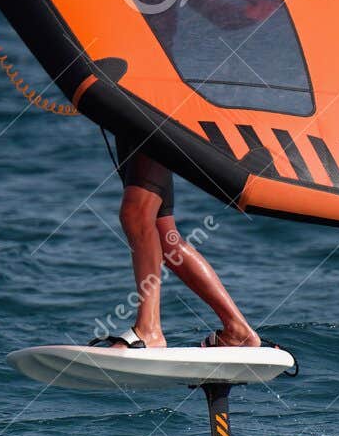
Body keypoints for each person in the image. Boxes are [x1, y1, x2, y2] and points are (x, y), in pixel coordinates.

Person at [93, 136, 262, 349]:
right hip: (128, 123)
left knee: (136, 214)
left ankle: (149, 330)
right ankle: (237, 331)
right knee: (164, 236)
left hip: (154, 123)